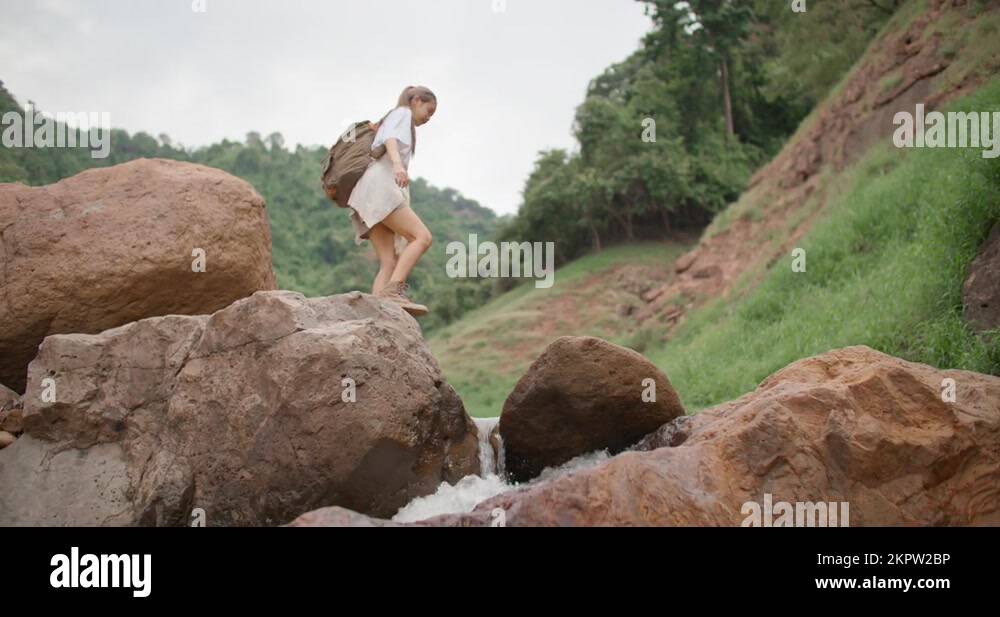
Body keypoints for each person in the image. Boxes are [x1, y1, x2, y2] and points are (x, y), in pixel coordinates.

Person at [347, 85, 437, 317]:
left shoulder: (393, 117)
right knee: (422, 237)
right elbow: (390, 139)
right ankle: (394, 292)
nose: (429, 118)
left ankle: (377, 315)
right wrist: (398, 165)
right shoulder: (402, 113)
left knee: (389, 261)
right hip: (381, 190)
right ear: (416, 100)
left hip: (365, 195)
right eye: (429, 111)